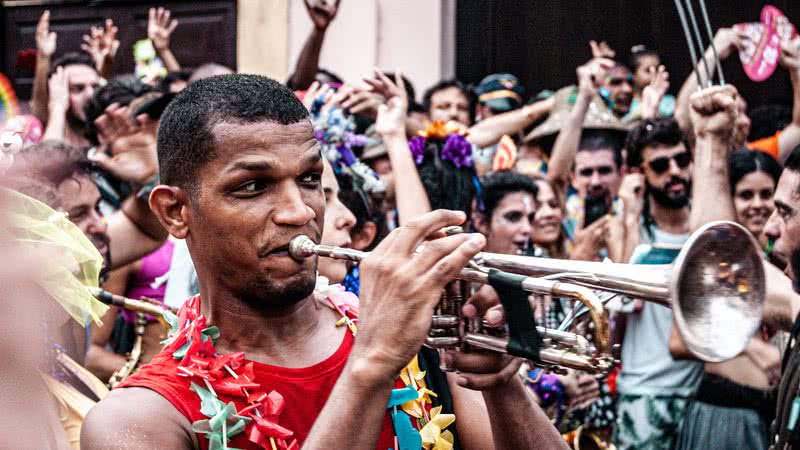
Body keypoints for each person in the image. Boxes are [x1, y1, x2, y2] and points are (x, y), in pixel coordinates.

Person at [81, 74, 567, 450]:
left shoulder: (405, 335)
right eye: (253, 186)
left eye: (310, 179)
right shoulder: (137, 418)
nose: (299, 212)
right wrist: (373, 362)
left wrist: (501, 382)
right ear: (176, 212)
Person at [612, 117, 701, 450]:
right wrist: (630, 215)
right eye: (661, 165)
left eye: (681, 160)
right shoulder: (626, 227)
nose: (674, 172)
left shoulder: (705, 223)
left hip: (703, 396)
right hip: (645, 394)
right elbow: (624, 299)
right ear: (640, 172)